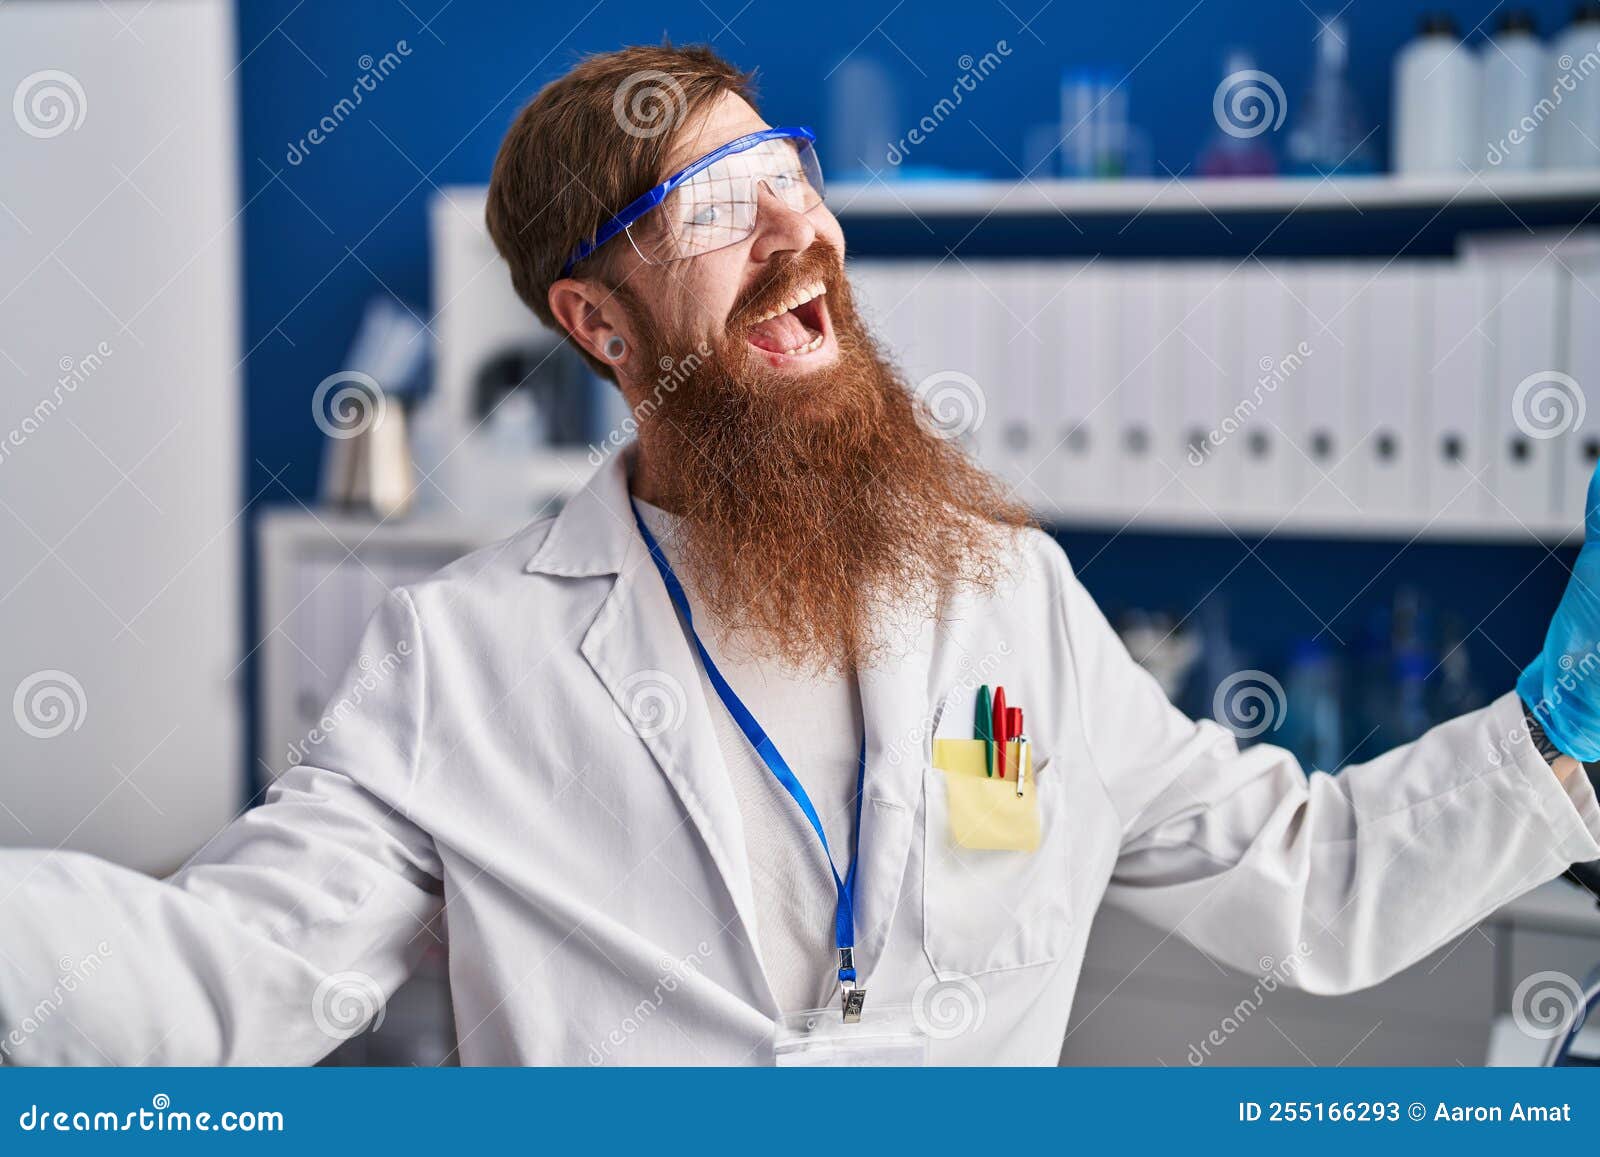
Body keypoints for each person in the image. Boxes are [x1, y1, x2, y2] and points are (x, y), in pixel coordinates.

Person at [2, 43, 1598, 1066]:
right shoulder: (465, 658)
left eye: (795, 181)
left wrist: (1563, 734)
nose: (798, 234)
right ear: (596, 321)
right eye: (716, 209)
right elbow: (225, 971)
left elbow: (1304, 885)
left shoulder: (1005, 594)